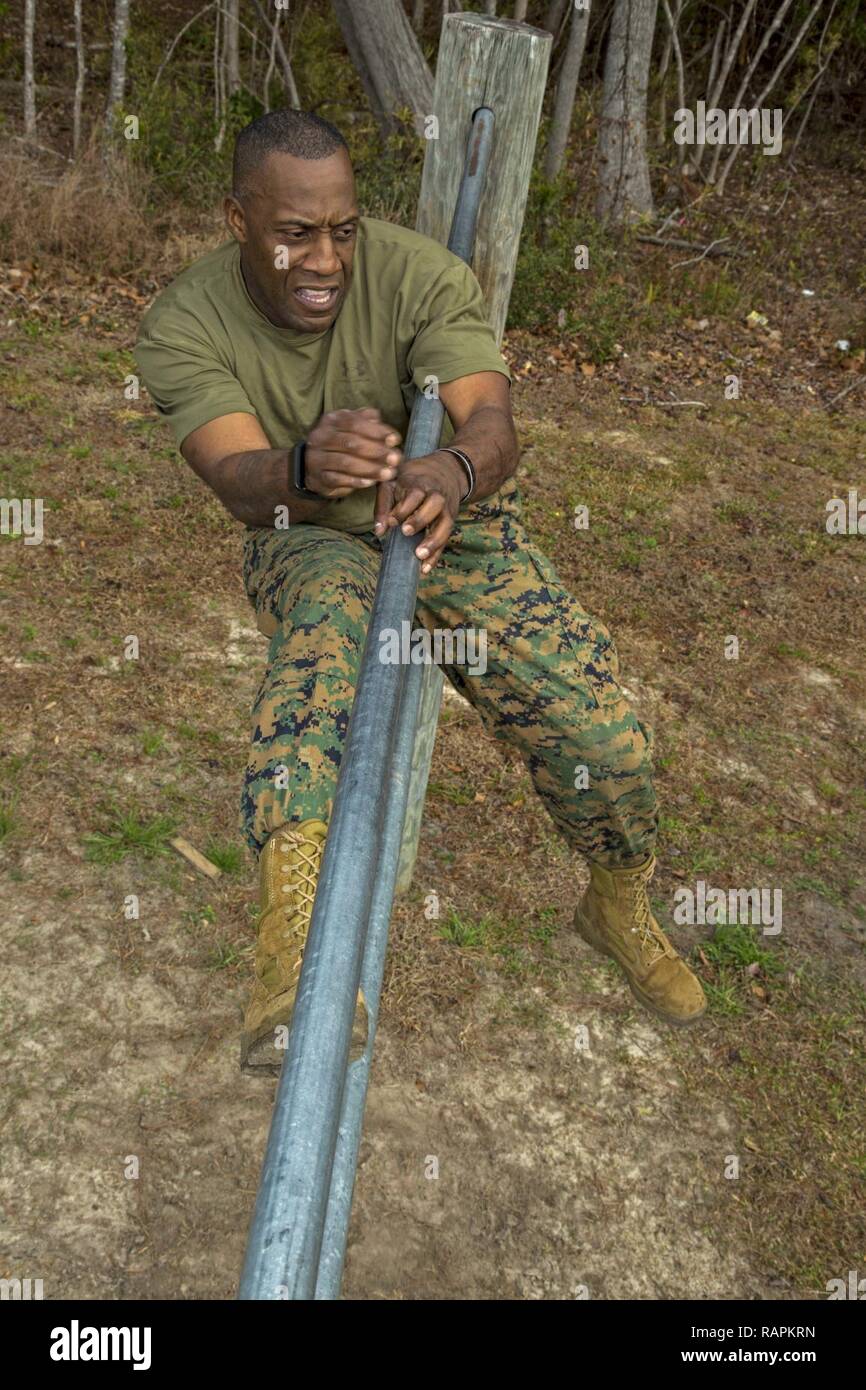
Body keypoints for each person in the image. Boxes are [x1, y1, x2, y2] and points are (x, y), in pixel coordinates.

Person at [135, 109, 705, 1074]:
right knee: (314, 687)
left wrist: (455, 474)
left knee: (599, 734)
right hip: (307, 534)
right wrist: (306, 467)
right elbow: (236, 482)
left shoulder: (418, 277)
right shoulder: (184, 321)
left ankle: (616, 899)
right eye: (293, 234)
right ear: (238, 220)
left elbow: (493, 418)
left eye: (342, 230)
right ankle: (296, 964)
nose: (325, 260)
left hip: (454, 525)